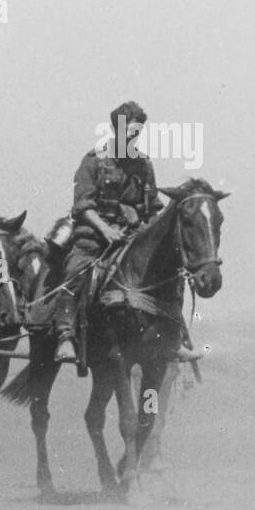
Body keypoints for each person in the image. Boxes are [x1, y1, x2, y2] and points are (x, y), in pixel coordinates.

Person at [53, 101, 164, 365]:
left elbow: (153, 207)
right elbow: (83, 205)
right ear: (115, 129)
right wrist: (105, 229)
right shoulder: (94, 160)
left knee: (164, 273)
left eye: (137, 133)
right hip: (94, 236)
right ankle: (65, 336)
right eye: (128, 132)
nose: (133, 138)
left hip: (131, 238)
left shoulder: (144, 165)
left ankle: (174, 337)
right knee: (75, 272)